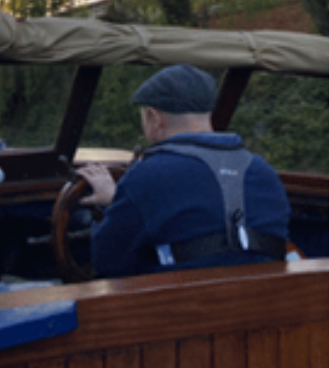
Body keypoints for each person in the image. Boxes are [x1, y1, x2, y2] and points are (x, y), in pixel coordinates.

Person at [77, 64, 290, 278]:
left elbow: (107, 262)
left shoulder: (148, 176)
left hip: (184, 307)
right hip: (266, 302)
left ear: (154, 117)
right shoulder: (264, 172)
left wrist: (112, 205)